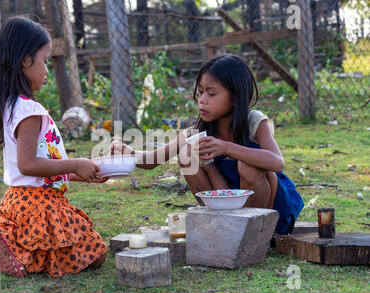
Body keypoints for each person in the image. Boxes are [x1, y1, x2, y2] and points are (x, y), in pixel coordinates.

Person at [111, 55, 303, 235]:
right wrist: (128, 152)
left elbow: (277, 163)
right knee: (187, 155)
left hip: (272, 211)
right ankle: (227, 228)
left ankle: (258, 235)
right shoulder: (198, 131)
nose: (202, 100)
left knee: (248, 164)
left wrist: (226, 148)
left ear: (236, 97)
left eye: (211, 93)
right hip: (230, 209)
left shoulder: (254, 122)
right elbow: (153, 160)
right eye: (200, 92)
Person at [0, 16, 108, 278]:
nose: (47, 70)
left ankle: (15, 249)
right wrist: (75, 163)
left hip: (17, 201)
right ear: (26, 60)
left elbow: (40, 166)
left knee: (47, 244)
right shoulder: (30, 111)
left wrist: (83, 173)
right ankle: (20, 258)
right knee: (96, 253)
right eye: (45, 61)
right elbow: (29, 164)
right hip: (41, 204)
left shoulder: (11, 105)